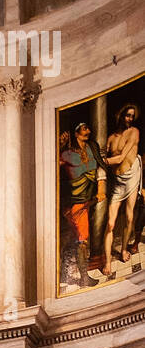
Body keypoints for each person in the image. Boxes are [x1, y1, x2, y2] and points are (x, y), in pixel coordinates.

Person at [60, 121, 106, 286]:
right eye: (84, 128)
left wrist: (101, 189)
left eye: (88, 128)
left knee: (75, 239)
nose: (89, 130)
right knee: (81, 240)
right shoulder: (67, 153)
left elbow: (100, 169)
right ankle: (84, 278)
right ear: (76, 132)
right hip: (75, 203)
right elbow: (52, 166)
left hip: (87, 201)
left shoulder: (92, 149)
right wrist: (59, 145)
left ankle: (70, 274)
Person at [102, 104, 141, 274]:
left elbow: (121, 157)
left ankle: (124, 249)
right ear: (120, 115)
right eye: (127, 115)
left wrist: (103, 160)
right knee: (110, 223)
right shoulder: (110, 138)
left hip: (132, 174)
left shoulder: (134, 132)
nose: (129, 119)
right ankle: (108, 262)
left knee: (130, 216)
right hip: (118, 181)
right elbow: (106, 154)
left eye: (132, 116)